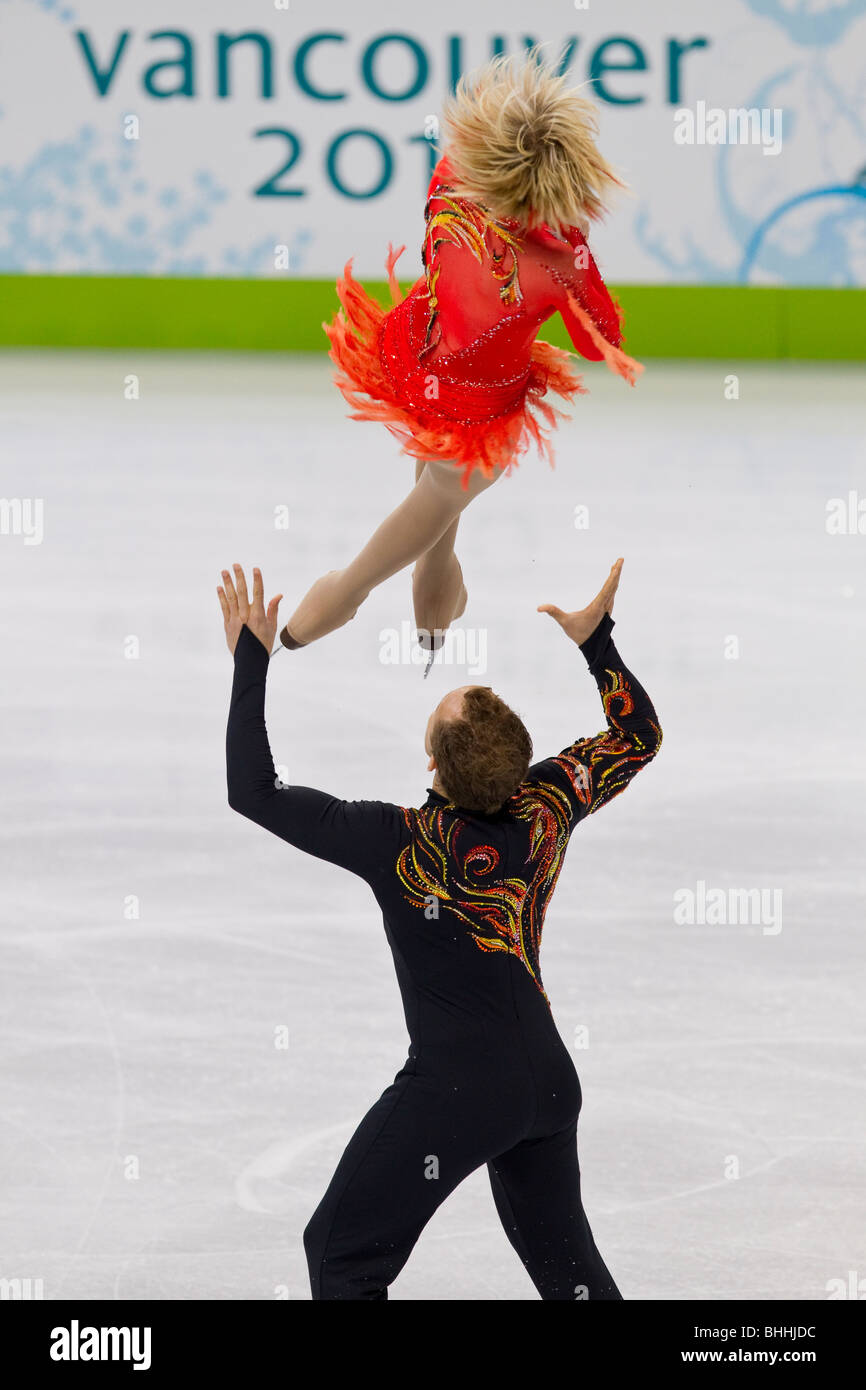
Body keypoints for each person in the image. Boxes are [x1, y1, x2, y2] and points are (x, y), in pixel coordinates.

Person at [218, 557, 662, 1300]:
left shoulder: (397, 843)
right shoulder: (549, 803)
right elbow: (636, 735)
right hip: (548, 1084)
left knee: (339, 1255)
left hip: (462, 1089)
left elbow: (252, 790)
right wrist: (597, 644)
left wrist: (250, 658)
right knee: (571, 1279)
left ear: (432, 763)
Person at [278, 50, 643, 665]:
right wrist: (575, 250)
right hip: (481, 410)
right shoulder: (558, 263)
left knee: (437, 529)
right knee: (418, 527)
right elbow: (599, 338)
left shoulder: (448, 177)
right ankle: (330, 608)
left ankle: (426, 584)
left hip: (418, 358)